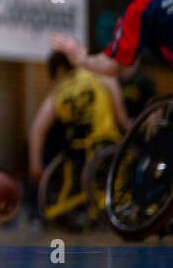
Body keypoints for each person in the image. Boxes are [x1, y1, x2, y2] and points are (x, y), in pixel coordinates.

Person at [28, 49, 128, 185]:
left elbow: (36, 130)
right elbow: (122, 119)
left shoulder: (59, 91)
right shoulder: (103, 76)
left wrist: (35, 165)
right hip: (105, 145)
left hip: (75, 151)